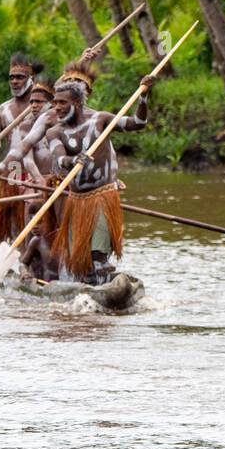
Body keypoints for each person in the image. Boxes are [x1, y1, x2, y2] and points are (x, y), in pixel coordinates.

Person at [39, 58, 154, 283]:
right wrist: (73, 160)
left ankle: (107, 283)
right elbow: (59, 159)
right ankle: (86, 293)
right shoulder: (55, 132)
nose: (57, 108)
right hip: (77, 200)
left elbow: (138, 123)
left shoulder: (100, 120)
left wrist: (143, 97)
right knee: (78, 261)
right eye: (55, 103)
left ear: (78, 103)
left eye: (62, 103)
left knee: (98, 255)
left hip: (103, 195)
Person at [0, 53, 43, 245]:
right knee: (15, 228)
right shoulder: (1, 111)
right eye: (11, 77)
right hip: (13, 173)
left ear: (32, 79)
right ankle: (20, 265)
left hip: (41, 173)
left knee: (42, 224)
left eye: (20, 77)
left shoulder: (45, 107)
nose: (15, 82)